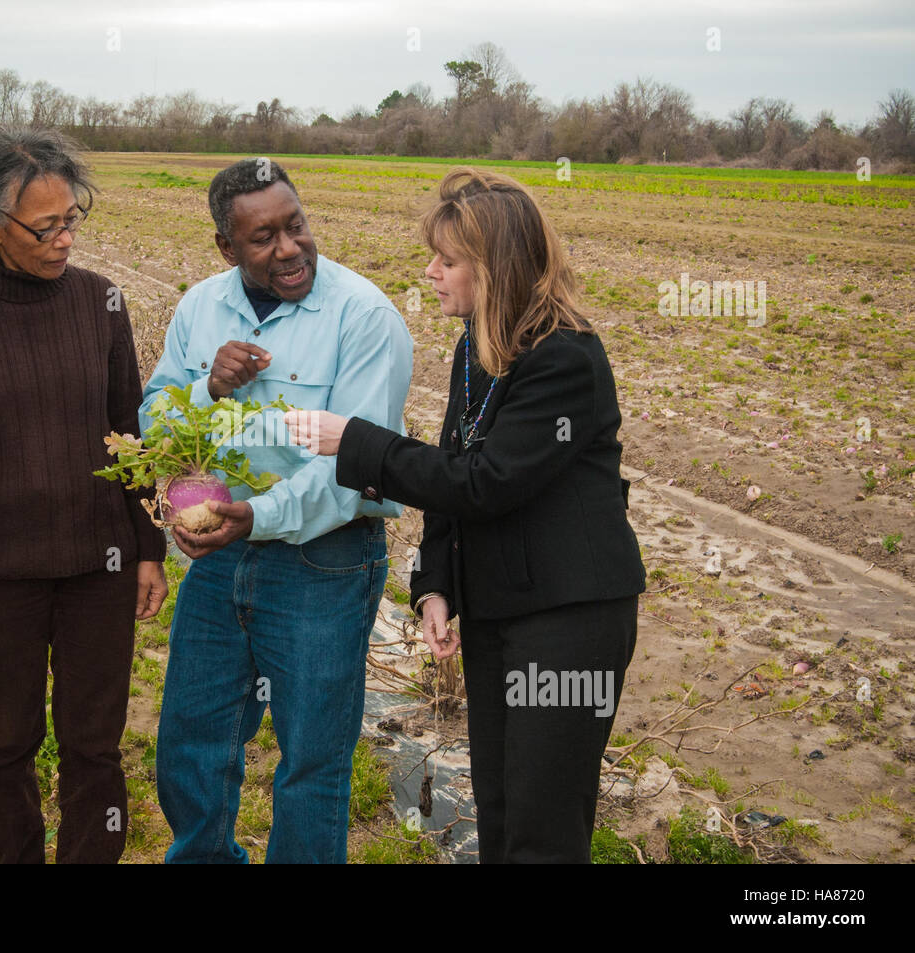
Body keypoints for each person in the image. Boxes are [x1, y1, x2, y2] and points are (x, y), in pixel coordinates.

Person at [284, 168, 647, 863]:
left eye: (447, 260)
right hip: (500, 612)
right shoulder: (477, 349)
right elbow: (456, 468)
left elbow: (485, 481)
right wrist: (435, 581)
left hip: (570, 617)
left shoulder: (564, 358)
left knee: (543, 825)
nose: (430, 271)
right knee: (502, 809)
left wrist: (352, 438)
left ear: (495, 267)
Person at [0, 128, 168, 864]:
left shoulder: (101, 303)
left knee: (95, 744)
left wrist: (148, 546)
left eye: (72, 219)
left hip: (99, 567)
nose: (64, 239)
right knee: (7, 743)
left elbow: (129, 432)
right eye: (44, 226)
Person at [141, 158, 413, 863]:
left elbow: (357, 466)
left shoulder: (365, 317)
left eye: (296, 225)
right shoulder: (200, 308)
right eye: (262, 238)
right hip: (219, 552)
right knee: (191, 743)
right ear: (226, 249)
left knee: (311, 765)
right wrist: (207, 389)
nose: (289, 248)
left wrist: (257, 516)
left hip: (324, 561)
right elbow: (155, 421)